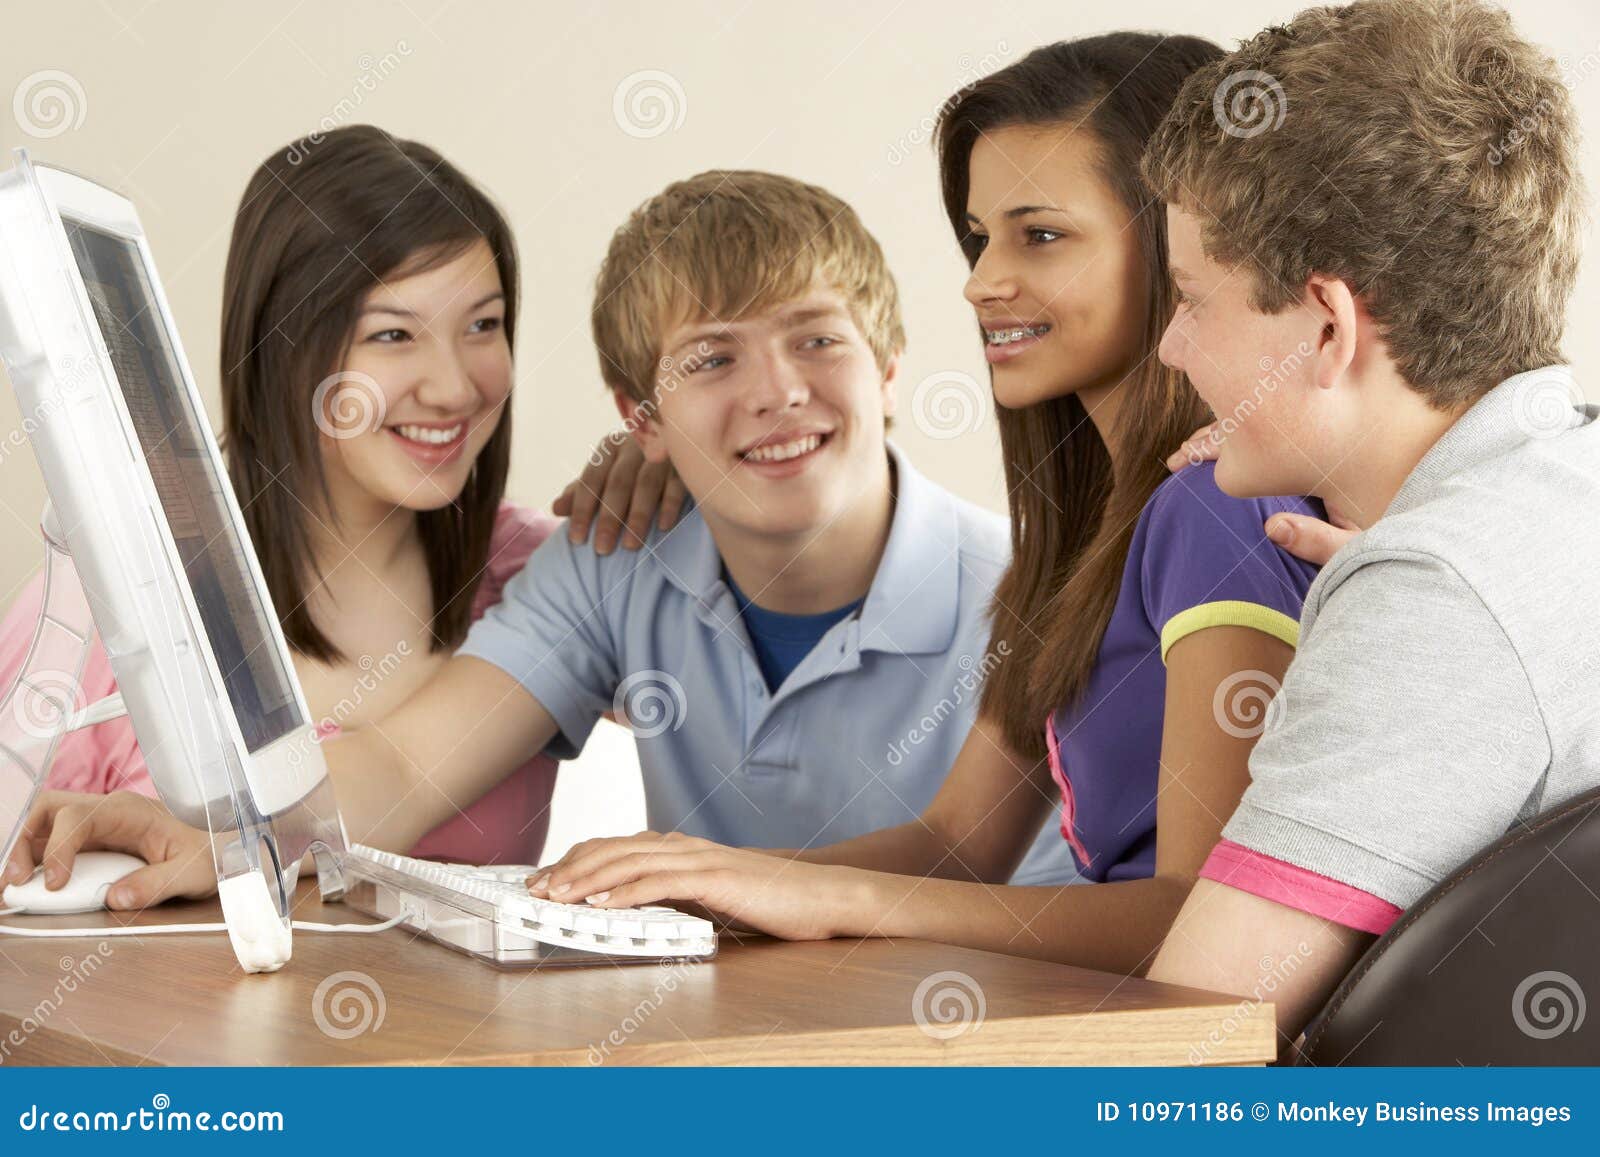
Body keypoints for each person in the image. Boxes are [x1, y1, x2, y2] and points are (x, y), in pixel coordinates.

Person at [7, 167, 1081, 906]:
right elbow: (401, 761)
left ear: (888, 367)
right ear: (641, 421)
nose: (778, 391)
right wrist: (228, 838)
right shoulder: (612, 568)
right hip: (761, 1052)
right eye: (713, 359)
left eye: (817, 339)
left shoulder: (1039, 583)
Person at [526, 33, 1329, 978]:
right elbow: (957, 842)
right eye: (981, 236)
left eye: (1040, 234)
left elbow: (1204, 929)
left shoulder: (1212, 508)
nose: (982, 280)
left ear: (1179, 244)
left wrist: (829, 899)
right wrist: (715, 879)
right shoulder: (1078, 537)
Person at [0, 124, 662, 897]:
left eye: (483, 324)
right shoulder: (109, 598)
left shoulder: (543, 572)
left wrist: (693, 463)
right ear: (285, 350)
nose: (453, 387)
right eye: (392, 334)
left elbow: (780, 671)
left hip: (454, 1022)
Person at [1133, 0, 1600, 1048]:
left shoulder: (1433, 594)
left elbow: (1176, 1059)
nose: (1169, 349)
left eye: (1192, 301)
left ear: (1325, 326)